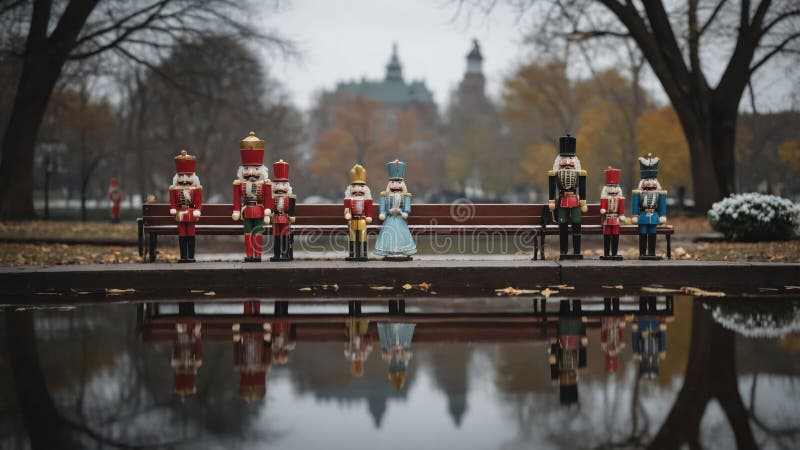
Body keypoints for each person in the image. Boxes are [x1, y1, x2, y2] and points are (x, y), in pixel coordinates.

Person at [232, 132, 271, 262]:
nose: (251, 172)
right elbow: (237, 199)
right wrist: (236, 210)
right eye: (247, 168)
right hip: (247, 211)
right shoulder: (239, 184)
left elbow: (267, 199)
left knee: (258, 233)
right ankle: (249, 255)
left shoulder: (265, 184)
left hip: (259, 210)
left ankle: (258, 255)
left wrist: (267, 212)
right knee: (248, 233)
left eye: (255, 168)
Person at [374, 159, 416, 259]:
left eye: (399, 182)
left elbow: (407, 209)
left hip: (400, 218)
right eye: (393, 182)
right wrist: (384, 213)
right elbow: (383, 209)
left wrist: (403, 212)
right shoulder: (384, 196)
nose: (396, 185)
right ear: (389, 184)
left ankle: (402, 251)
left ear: (402, 183)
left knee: (401, 233)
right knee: (389, 232)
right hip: (390, 218)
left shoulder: (406, 196)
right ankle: (389, 252)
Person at [169, 150, 202, 263]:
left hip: (191, 213)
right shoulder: (174, 190)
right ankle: (183, 256)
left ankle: (191, 256)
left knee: (191, 234)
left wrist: (198, 210)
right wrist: (173, 208)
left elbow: (198, 202)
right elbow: (173, 201)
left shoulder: (196, 189)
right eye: (181, 176)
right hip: (180, 214)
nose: (184, 180)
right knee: (182, 234)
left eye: (188, 176)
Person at [343, 164, 373, 261]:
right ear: (350, 188)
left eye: (361, 186)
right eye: (354, 186)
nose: (357, 189)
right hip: (352, 221)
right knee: (352, 237)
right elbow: (346, 209)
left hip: (362, 221)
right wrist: (347, 214)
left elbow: (369, 210)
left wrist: (369, 216)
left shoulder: (366, 200)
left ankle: (363, 254)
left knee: (363, 236)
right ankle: (352, 254)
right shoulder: (349, 199)